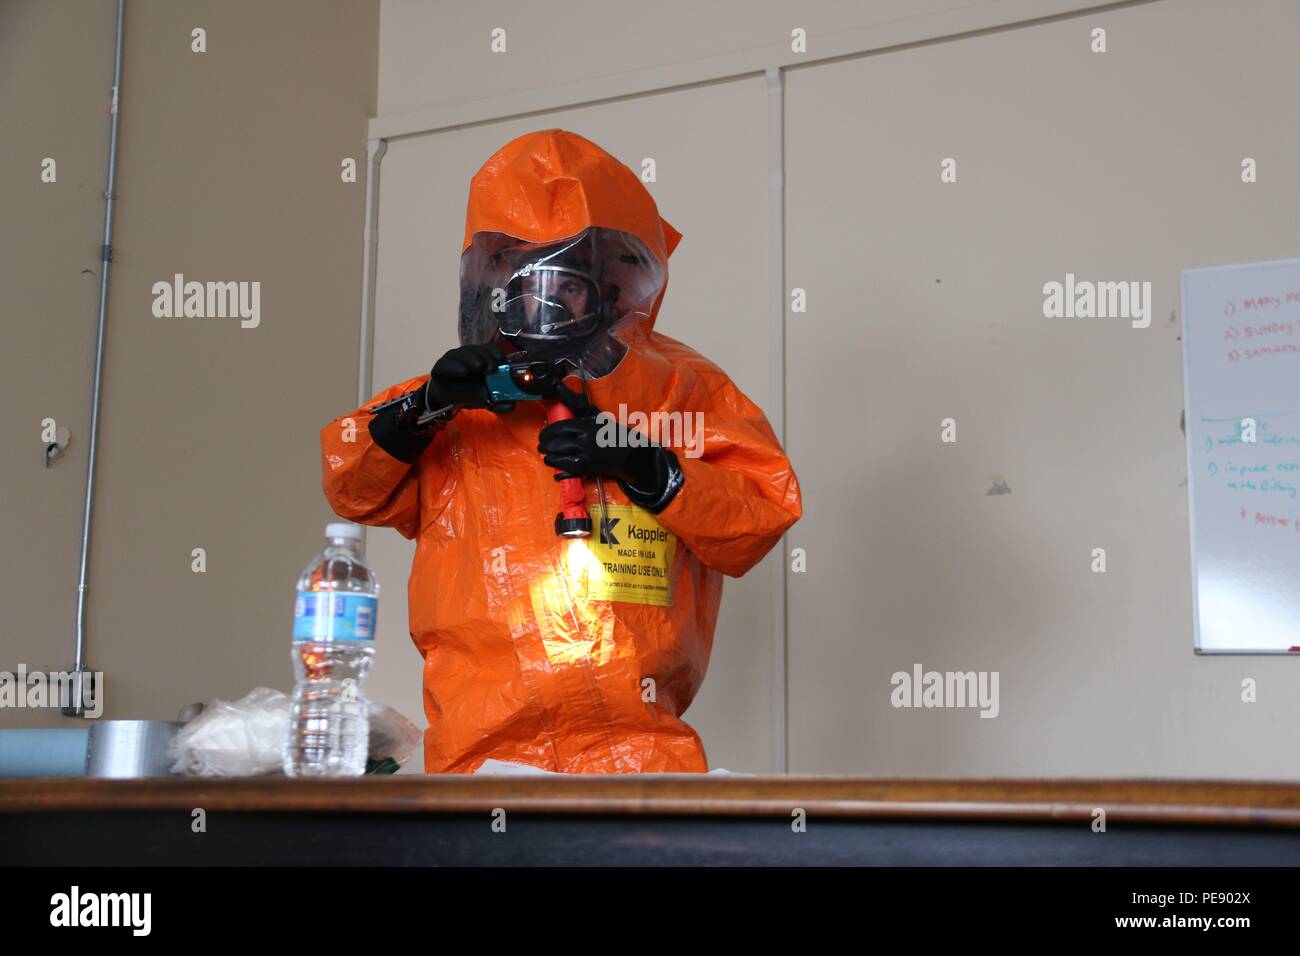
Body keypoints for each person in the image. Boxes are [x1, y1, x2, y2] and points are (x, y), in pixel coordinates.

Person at [320, 128, 801, 773]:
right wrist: (425, 406)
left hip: (637, 754)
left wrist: (644, 464)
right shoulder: (458, 399)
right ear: (492, 281)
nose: (543, 296)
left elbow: (758, 519)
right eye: (524, 273)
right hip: (476, 755)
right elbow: (350, 485)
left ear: (612, 287)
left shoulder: (679, 389)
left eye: (565, 276)